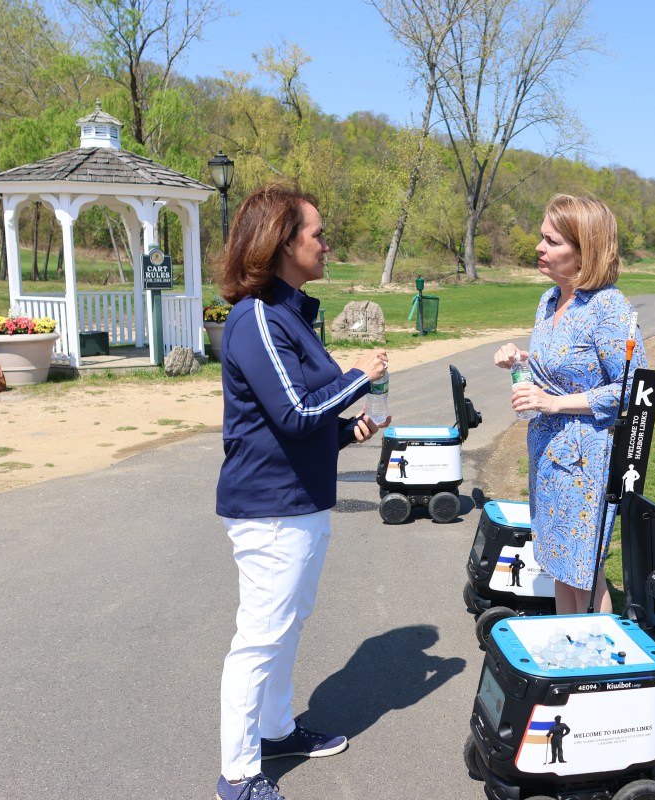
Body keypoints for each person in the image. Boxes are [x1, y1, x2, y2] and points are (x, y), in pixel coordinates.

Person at [214, 183, 390, 800]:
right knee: (260, 637)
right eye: (316, 233)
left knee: (287, 624)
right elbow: (292, 413)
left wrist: (346, 430)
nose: (326, 242)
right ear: (281, 243)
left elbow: (301, 421)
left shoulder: (290, 314)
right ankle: (238, 773)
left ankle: (276, 728)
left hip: (301, 503)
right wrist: (357, 377)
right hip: (269, 510)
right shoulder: (256, 318)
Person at [494, 194, 646, 615]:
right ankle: (566, 647)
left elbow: (636, 388)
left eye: (552, 241)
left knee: (585, 568)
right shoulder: (549, 300)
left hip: (586, 461)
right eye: (542, 238)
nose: (539, 248)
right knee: (559, 562)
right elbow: (561, 367)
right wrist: (519, 359)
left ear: (585, 252)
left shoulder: (608, 307)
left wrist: (553, 404)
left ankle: (599, 665)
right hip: (545, 452)